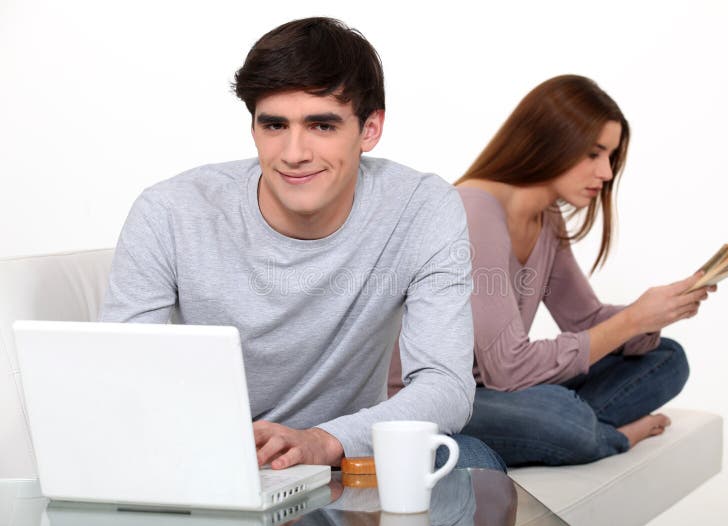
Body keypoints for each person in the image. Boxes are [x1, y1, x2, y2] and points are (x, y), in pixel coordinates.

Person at [101, 17, 503, 471]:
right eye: (274, 125)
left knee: (474, 463)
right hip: (216, 459)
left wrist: (324, 441)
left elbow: (445, 385)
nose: (294, 154)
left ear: (370, 129)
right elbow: (120, 377)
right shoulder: (169, 212)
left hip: (346, 454)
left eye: (321, 126)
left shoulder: (421, 206)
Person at [390, 74, 714, 466]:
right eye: (593, 154)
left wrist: (655, 314)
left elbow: (585, 319)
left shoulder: (547, 217)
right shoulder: (474, 210)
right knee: (558, 414)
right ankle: (605, 435)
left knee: (665, 357)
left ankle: (573, 426)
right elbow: (507, 368)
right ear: (550, 141)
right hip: (432, 400)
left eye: (610, 157)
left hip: (497, 392)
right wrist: (631, 320)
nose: (606, 172)